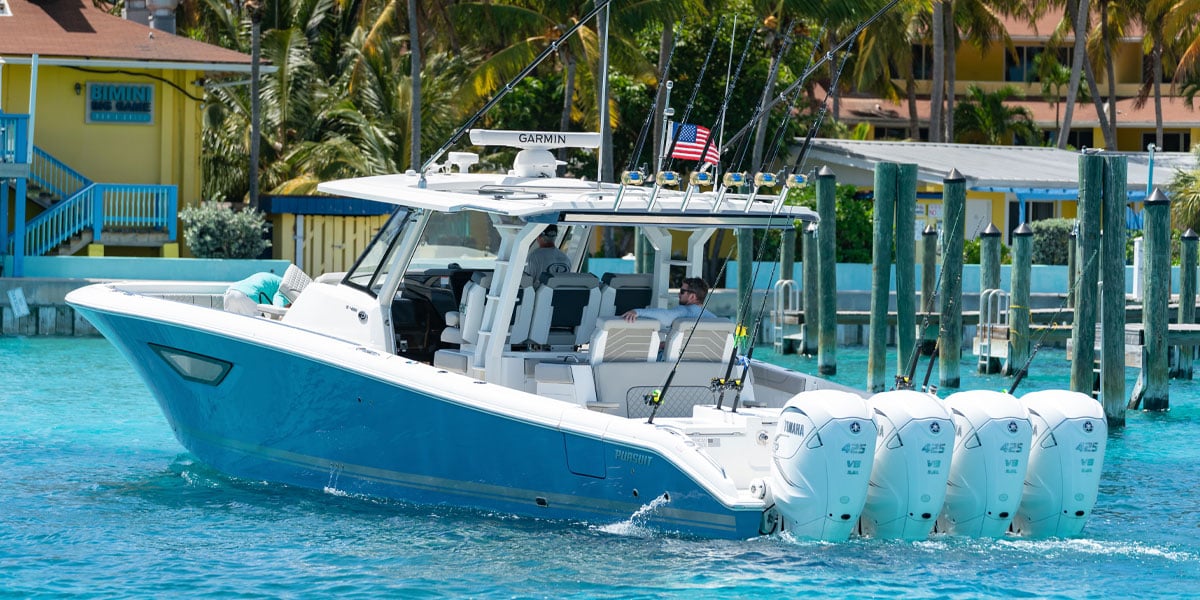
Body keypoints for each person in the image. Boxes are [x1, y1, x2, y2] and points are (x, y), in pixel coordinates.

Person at [622, 277, 719, 325]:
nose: (678, 294)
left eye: (682, 291)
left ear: (692, 297)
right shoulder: (715, 320)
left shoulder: (685, 311)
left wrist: (637, 312)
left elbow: (666, 315)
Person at [223, 272, 289, 316]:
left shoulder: (276, 280)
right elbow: (278, 310)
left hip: (230, 292)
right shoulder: (287, 290)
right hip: (247, 297)